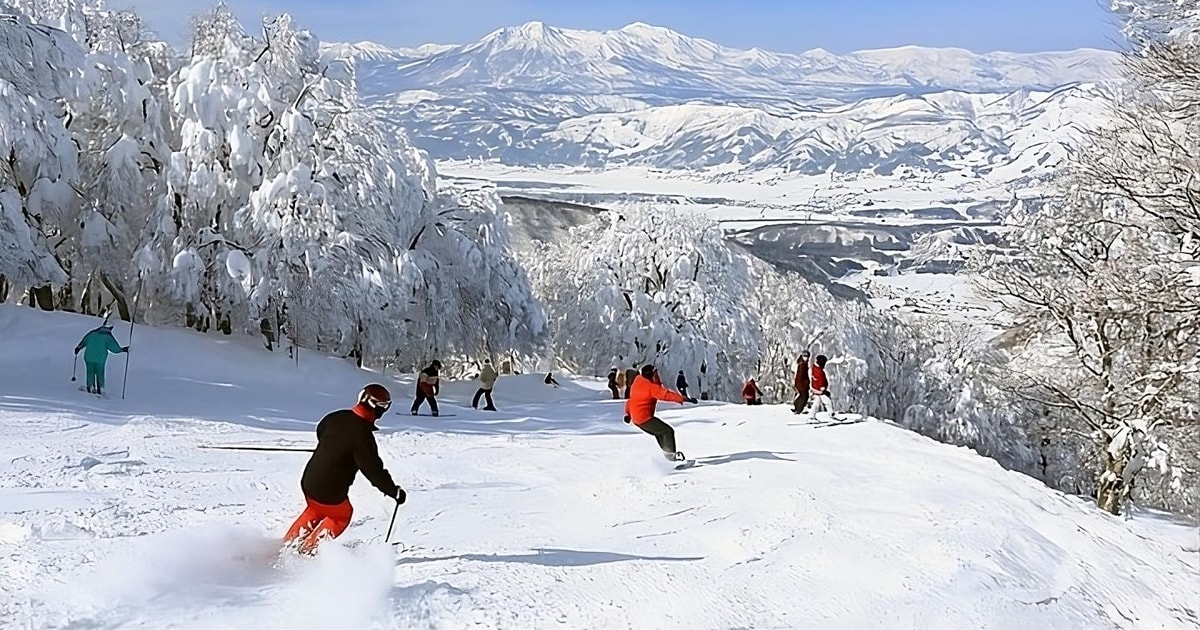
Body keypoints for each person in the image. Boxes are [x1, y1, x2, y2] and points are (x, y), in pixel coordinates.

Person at [283, 384, 406, 554]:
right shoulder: (362, 436)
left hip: (309, 481)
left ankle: (287, 545)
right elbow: (374, 471)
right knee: (341, 514)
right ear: (379, 409)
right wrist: (394, 491)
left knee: (315, 509)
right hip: (330, 491)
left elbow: (321, 431)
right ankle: (308, 551)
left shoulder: (336, 417)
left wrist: (333, 448)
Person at [624, 364, 696, 461]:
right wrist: (683, 398)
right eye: (655, 373)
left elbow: (631, 400)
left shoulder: (638, 381)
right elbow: (665, 395)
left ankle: (668, 457)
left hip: (636, 417)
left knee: (660, 433)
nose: (657, 375)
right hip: (644, 418)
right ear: (651, 375)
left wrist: (627, 414)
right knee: (667, 431)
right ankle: (672, 458)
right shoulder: (650, 387)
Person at [74, 324, 129, 396]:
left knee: (90, 371)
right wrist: (123, 349)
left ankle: (90, 387)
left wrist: (78, 348)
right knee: (100, 372)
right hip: (100, 359)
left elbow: (84, 341)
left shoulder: (92, 333)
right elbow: (114, 349)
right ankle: (100, 388)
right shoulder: (108, 337)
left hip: (89, 357)